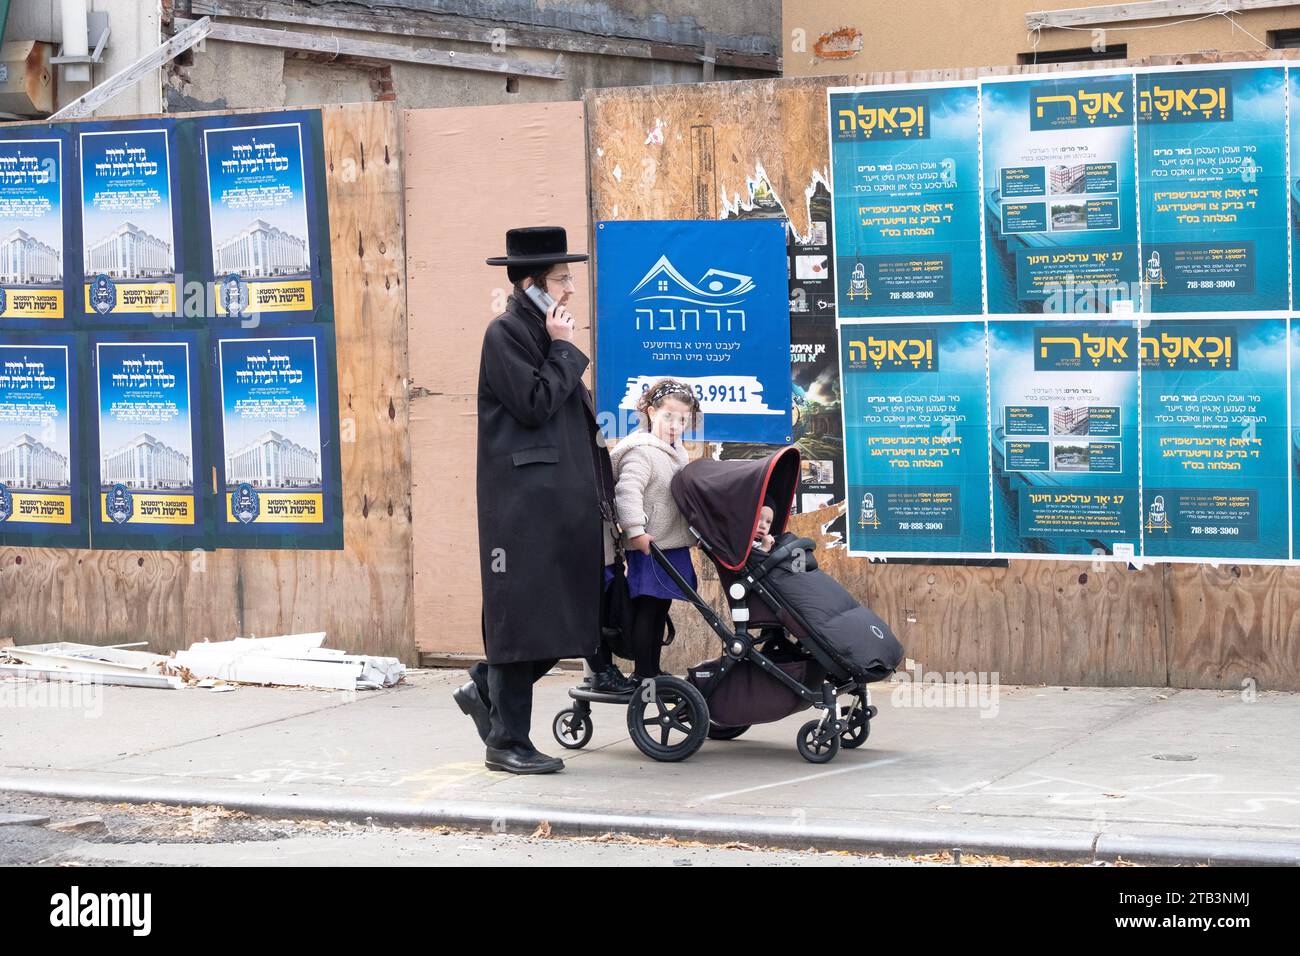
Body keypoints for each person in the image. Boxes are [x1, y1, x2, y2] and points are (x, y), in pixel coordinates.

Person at [454, 225, 620, 774]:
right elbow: (533, 402)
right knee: (521, 622)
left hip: (558, 506)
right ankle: (507, 741)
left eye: (569, 277)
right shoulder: (504, 333)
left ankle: (484, 688)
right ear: (532, 285)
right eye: (561, 278)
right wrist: (565, 350)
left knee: (565, 618)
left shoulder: (543, 333)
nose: (570, 289)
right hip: (521, 508)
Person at [610, 378, 703, 682]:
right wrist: (636, 531)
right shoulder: (641, 452)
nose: (675, 424)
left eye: (682, 419)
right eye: (668, 416)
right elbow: (627, 492)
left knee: (660, 609)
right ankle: (643, 672)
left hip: (671, 546)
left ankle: (653, 670)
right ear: (651, 412)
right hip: (650, 545)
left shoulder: (675, 453)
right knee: (648, 609)